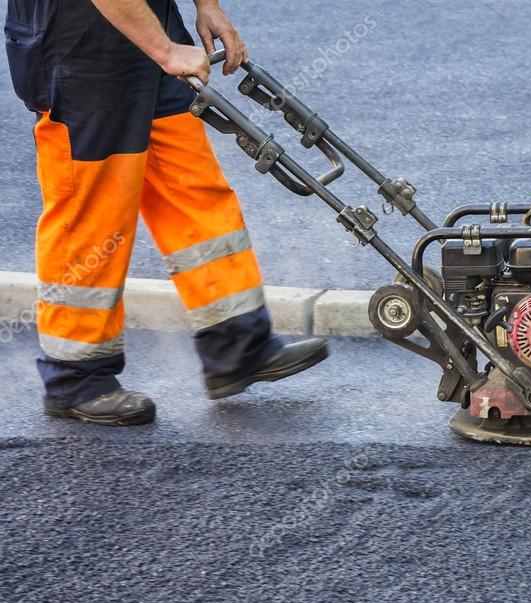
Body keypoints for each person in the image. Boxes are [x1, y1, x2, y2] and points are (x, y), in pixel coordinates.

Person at [3, 0, 328, 426]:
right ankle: (76, 378)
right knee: (93, 212)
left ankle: (238, 342)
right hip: (78, 43)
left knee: (191, 186)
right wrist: (167, 51)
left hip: (145, 24)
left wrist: (206, 6)